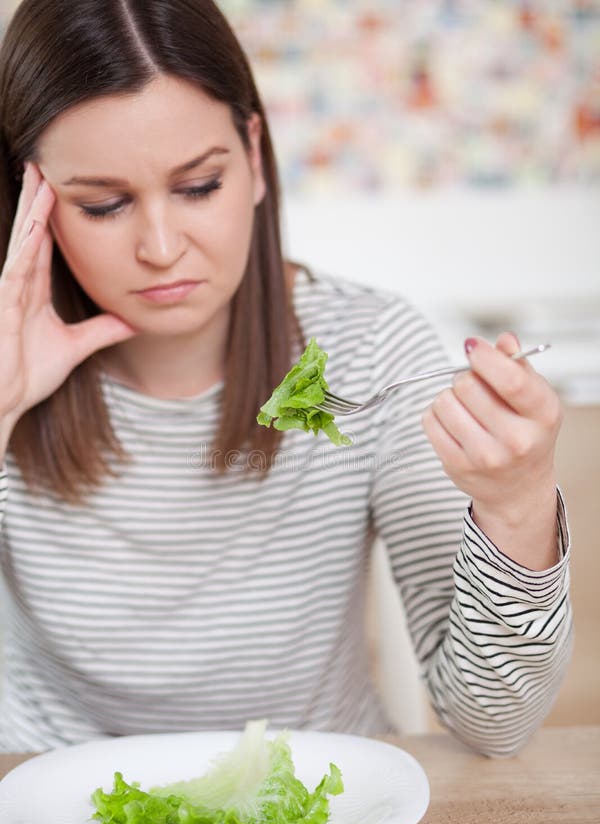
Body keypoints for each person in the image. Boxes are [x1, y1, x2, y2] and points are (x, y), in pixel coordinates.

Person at [0, 0, 572, 756]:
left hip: (321, 815)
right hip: (47, 823)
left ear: (255, 155)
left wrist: (519, 507)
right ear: (29, 200)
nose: (163, 247)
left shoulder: (369, 352)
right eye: (103, 205)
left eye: (200, 186)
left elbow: (494, 725)